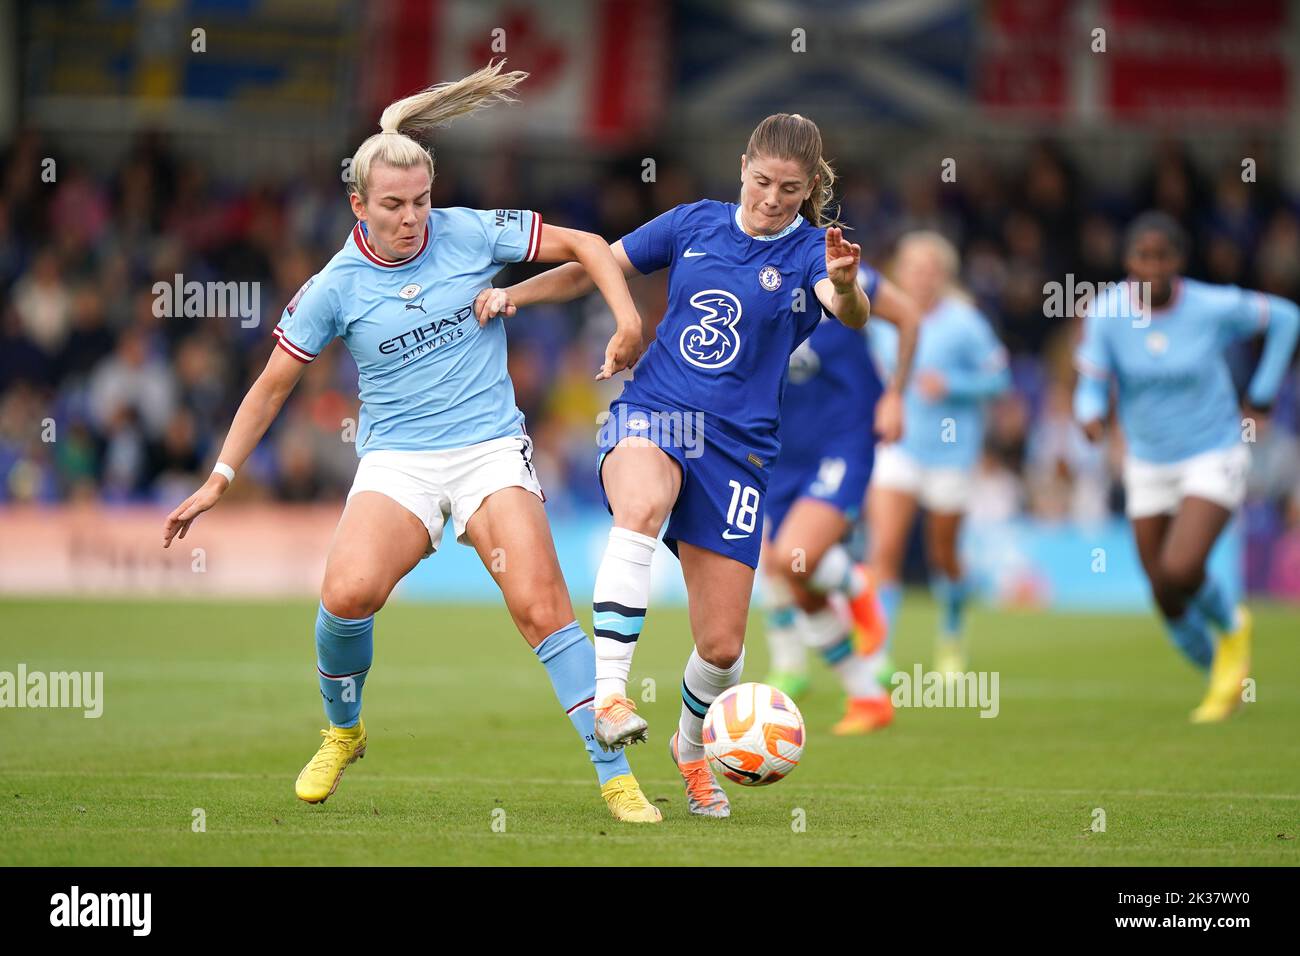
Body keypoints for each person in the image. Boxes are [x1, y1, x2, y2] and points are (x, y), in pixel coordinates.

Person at [162, 61, 663, 823]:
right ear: (357, 203)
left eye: (422, 200)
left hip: (490, 450)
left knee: (540, 606)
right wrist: (221, 477)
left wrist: (627, 320)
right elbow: (271, 385)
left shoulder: (469, 231)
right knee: (345, 595)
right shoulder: (335, 285)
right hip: (398, 463)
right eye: (394, 205)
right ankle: (343, 729)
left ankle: (616, 779)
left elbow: (590, 245)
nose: (412, 218)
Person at [482, 113, 872, 818]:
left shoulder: (817, 251)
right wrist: (514, 294)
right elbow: (593, 269)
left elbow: (849, 312)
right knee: (638, 507)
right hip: (655, 412)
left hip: (739, 450)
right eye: (762, 181)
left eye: (790, 188)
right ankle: (609, 695)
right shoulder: (695, 222)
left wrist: (845, 283)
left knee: (722, 651)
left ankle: (690, 751)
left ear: (811, 186)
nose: (772, 198)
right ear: (743, 167)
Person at [1074, 211, 1299, 722]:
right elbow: (1090, 380)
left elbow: (1287, 319)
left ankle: (1232, 627)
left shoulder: (1211, 305)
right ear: (1129, 260)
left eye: (1163, 256)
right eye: (1142, 256)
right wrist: (1089, 414)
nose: (1152, 266)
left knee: (1181, 567)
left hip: (1213, 451)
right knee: (1162, 590)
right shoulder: (1108, 313)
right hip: (1148, 459)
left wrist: (1262, 394)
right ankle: (1220, 671)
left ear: (1179, 260)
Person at [760, 262, 920, 735]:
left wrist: (895, 395)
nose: (772, 202)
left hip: (843, 441)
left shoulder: (836, 272)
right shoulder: (745, 273)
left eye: (787, 189)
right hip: (779, 447)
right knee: (790, 573)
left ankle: (854, 585)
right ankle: (867, 697)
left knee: (793, 560)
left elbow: (908, 316)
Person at [866, 231, 1011, 675]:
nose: (923, 278)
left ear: (944, 276)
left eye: (931, 271)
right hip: (898, 447)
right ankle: (879, 654)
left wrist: (954, 385)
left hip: (951, 453)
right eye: (914, 269)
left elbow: (999, 379)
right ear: (900, 273)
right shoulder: (880, 319)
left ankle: (951, 632)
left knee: (943, 555)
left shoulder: (965, 323)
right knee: (884, 549)